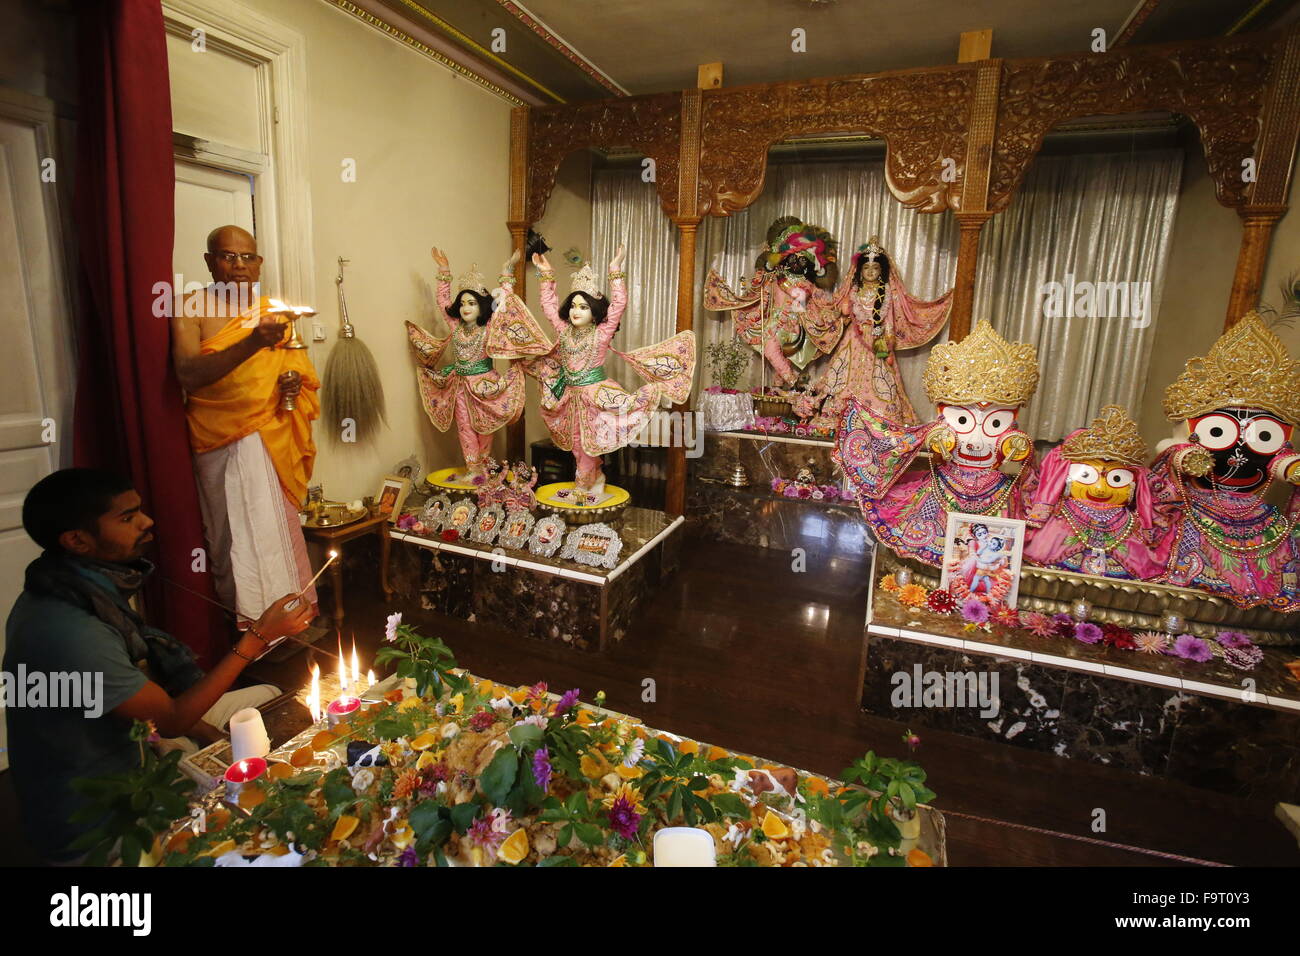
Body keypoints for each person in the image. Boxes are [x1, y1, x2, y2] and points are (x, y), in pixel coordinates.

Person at [3, 468, 314, 863]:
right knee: (259, 834)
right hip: (102, 818)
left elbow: (156, 708)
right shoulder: (70, 631)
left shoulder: (76, 584)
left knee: (264, 702)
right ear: (77, 540)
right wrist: (258, 638)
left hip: (137, 738)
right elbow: (170, 719)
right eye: (127, 517)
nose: (147, 522)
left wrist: (210, 736)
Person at [171, 225, 320, 626]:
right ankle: (246, 628)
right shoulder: (189, 308)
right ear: (209, 261)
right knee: (230, 536)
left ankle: (293, 619)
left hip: (270, 437)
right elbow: (188, 374)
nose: (239, 265)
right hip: (219, 436)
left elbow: (293, 371)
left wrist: (290, 384)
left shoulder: (271, 311)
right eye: (228, 256)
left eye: (248, 257)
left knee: (277, 532)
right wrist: (252, 341)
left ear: (259, 264)